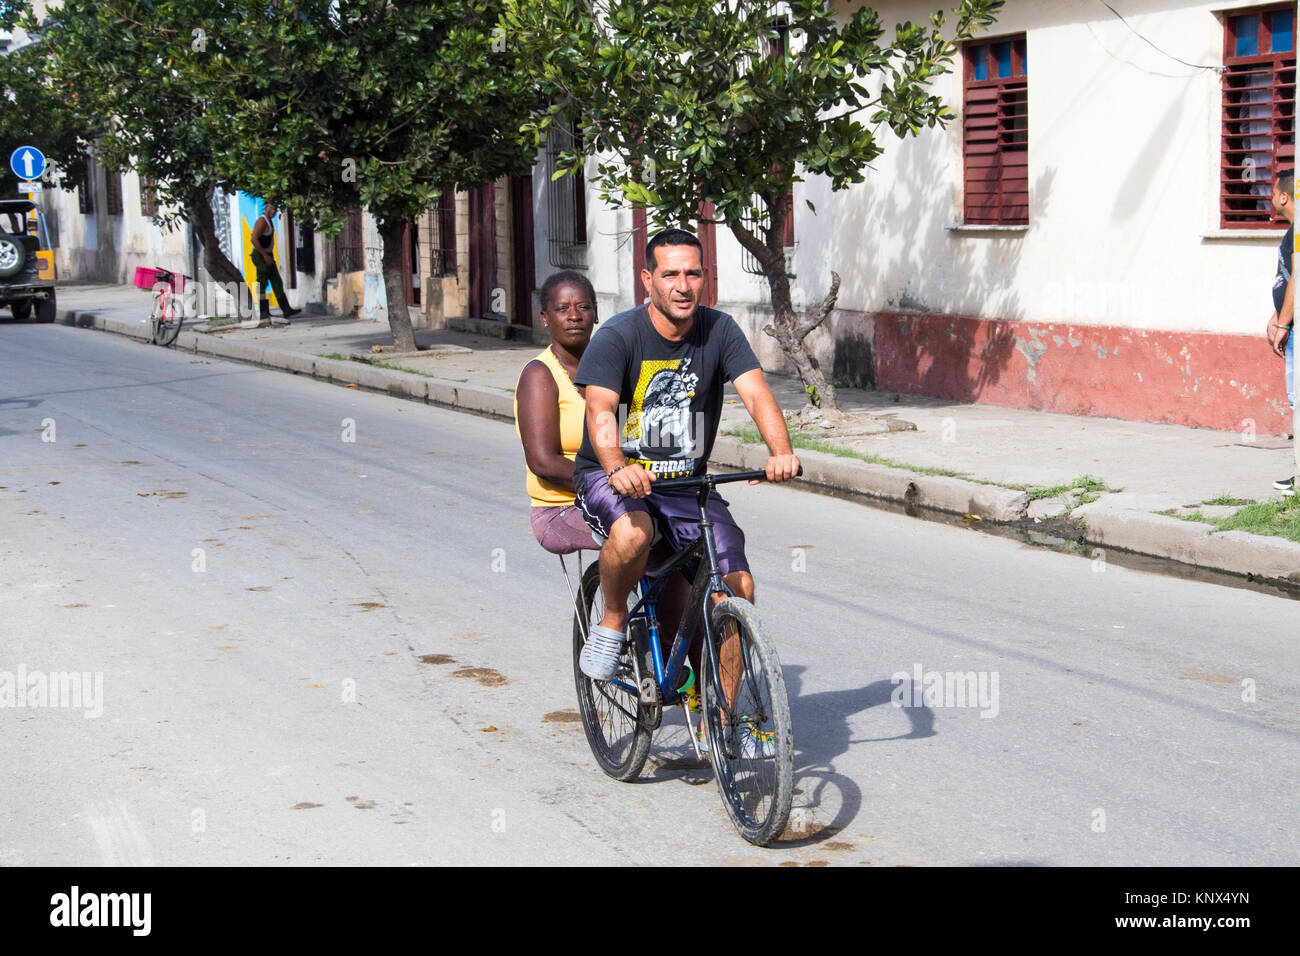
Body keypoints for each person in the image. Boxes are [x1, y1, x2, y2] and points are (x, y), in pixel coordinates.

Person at [571, 228, 800, 715]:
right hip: (613, 477)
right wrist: (616, 467)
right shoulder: (619, 335)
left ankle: (726, 720)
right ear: (647, 279)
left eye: (692, 273)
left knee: (737, 586)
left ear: (705, 278)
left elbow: (756, 393)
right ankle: (612, 620)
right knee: (634, 534)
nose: (682, 285)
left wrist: (781, 451)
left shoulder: (719, 330)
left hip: (686, 486)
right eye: (670, 274)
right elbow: (600, 411)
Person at [515, 270, 604, 554]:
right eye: (562, 309)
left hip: (618, 496)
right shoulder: (539, 375)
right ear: (545, 318)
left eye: (583, 307)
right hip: (562, 508)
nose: (574, 316)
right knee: (639, 532)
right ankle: (613, 602)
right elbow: (543, 462)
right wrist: (610, 480)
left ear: (596, 313)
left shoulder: (612, 369)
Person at [1266, 170, 1295, 494]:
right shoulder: (1292, 232)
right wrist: (1276, 315)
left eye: (1274, 192)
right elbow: (1288, 279)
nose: (1272, 198)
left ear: (1284, 196)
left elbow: (1298, 279)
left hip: (1296, 327)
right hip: (1290, 322)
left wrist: (1284, 323)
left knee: (1298, 400)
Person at [250, 202, 300, 324]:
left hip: (268, 255)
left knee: (276, 281)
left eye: (275, 209)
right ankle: (263, 312)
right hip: (261, 255)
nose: (273, 212)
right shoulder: (261, 222)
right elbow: (254, 239)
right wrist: (264, 255)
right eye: (271, 209)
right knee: (262, 282)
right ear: (266, 207)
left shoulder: (269, 221)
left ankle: (286, 309)